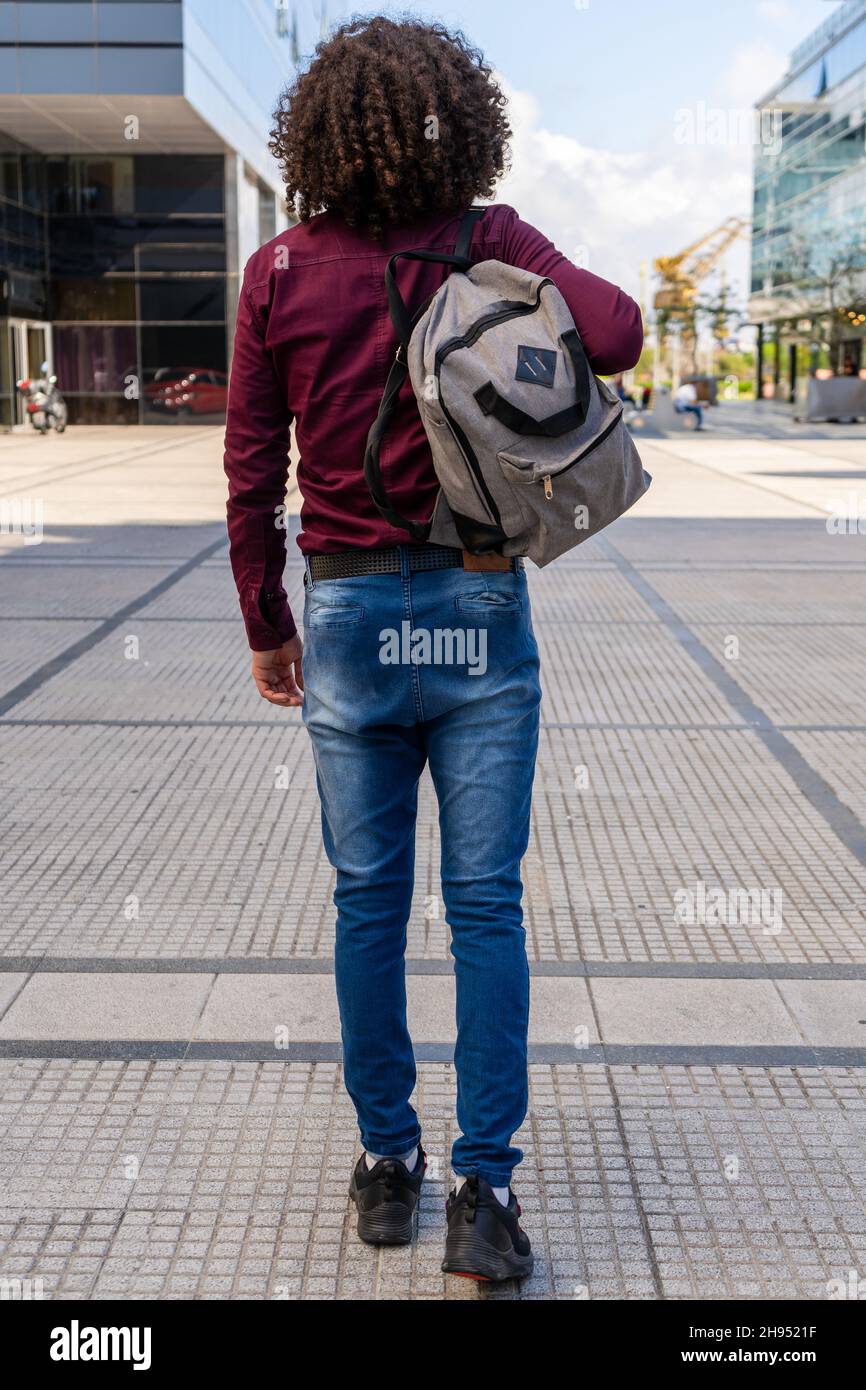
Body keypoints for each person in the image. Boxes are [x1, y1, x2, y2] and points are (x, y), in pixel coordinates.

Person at [223, 14, 642, 1283]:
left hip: (347, 617)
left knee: (365, 904)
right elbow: (615, 333)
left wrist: (266, 623)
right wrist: (504, 259)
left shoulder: (278, 270)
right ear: (454, 122)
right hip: (472, 610)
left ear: (315, 136)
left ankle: (385, 1165)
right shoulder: (486, 239)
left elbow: (251, 476)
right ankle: (482, 1192)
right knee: (482, 908)